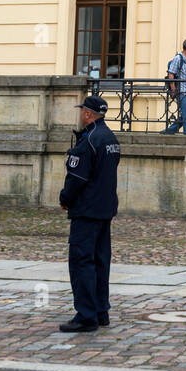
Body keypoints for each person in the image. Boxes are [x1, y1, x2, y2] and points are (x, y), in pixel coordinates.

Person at [58, 95, 121, 333]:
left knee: (82, 262)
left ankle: (86, 314)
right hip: (105, 208)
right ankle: (100, 310)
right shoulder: (110, 138)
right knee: (100, 261)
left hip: (86, 210)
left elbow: (77, 178)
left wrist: (65, 199)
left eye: (82, 110)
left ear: (87, 114)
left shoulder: (89, 140)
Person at [164, 37, 186, 135]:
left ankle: (169, 131)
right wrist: (173, 89)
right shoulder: (178, 58)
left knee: (185, 115)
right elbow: (171, 73)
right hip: (182, 91)